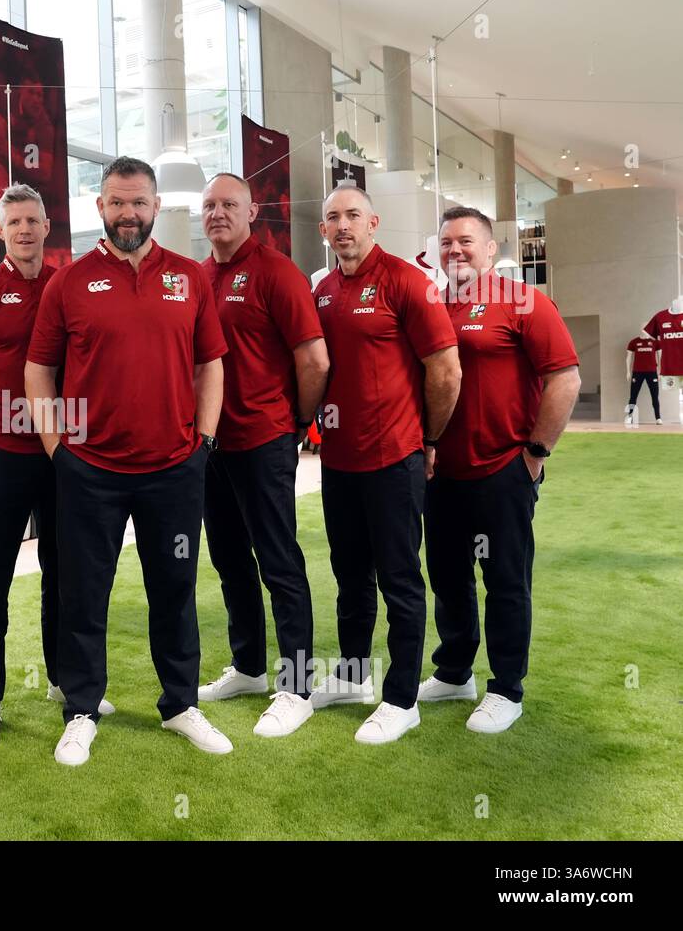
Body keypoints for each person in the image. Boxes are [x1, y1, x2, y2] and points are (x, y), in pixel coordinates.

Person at [25, 156, 229, 766]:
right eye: (117, 203)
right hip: (91, 472)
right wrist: (57, 448)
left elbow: (209, 365)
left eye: (139, 203)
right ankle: (81, 709)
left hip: (174, 468)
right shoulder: (68, 282)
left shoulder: (189, 277)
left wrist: (206, 441)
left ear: (157, 206)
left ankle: (181, 705)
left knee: (175, 589)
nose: (128, 214)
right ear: (100, 208)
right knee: (84, 593)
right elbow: (39, 371)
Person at [0, 184, 115, 752]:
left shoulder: (68, 286)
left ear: (49, 228)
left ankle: (66, 682)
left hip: (63, 453)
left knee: (65, 574)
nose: (23, 229)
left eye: (32, 220)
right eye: (13, 221)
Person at [420, 206, 580, 733]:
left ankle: (506, 688)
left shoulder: (525, 303)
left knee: (505, 581)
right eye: (446, 242)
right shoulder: (432, 306)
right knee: (447, 576)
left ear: (491, 249)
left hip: (502, 470)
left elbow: (565, 378)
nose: (454, 251)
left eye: (466, 241)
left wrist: (535, 454)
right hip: (442, 473)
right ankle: (454, 671)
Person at [310, 185, 461, 744]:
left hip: (394, 457)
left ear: (373, 222)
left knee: (399, 579)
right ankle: (351, 678)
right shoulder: (322, 290)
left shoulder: (406, 281)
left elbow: (445, 371)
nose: (342, 226)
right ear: (323, 231)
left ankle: (401, 698)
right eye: (332, 218)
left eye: (352, 215)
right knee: (350, 576)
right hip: (338, 460)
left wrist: (428, 438)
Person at [196, 173, 330, 738]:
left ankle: (296, 685)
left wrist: (296, 423)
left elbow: (315, 361)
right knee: (228, 559)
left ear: (252, 212)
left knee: (278, 562)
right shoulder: (197, 277)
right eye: (209, 205)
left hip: (264, 440)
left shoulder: (277, 272)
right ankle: (249, 666)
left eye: (230, 204)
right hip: (209, 444)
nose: (218, 213)